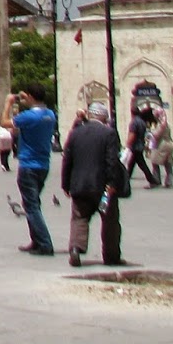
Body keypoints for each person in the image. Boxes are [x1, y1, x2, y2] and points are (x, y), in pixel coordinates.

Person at [61, 100, 126, 267]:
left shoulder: (75, 133)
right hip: (103, 190)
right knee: (109, 220)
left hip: (80, 187)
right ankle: (111, 256)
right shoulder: (109, 134)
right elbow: (111, 160)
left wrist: (66, 184)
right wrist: (112, 183)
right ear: (105, 118)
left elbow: (67, 160)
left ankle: (76, 249)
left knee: (79, 218)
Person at [2, 84, 57, 257]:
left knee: (31, 206)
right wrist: (28, 99)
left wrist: (8, 104)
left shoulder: (28, 117)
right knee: (34, 203)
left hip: (28, 165)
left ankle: (45, 243)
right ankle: (36, 240)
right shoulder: (50, 115)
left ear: (31, 97)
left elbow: (4, 123)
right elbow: (37, 109)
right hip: (43, 165)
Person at [123, 104, 158, 190]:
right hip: (140, 145)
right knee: (134, 165)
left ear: (132, 113)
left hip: (135, 147)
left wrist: (127, 145)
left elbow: (132, 135)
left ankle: (125, 183)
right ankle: (125, 182)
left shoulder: (134, 122)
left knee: (138, 165)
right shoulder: (142, 122)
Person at [149, 107, 173, 189]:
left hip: (161, 145)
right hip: (169, 144)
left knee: (155, 162)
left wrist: (150, 133)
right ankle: (169, 181)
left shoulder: (162, 124)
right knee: (168, 163)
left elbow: (157, 135)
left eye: (155, 115)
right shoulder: (166, 123)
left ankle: (156, 180)